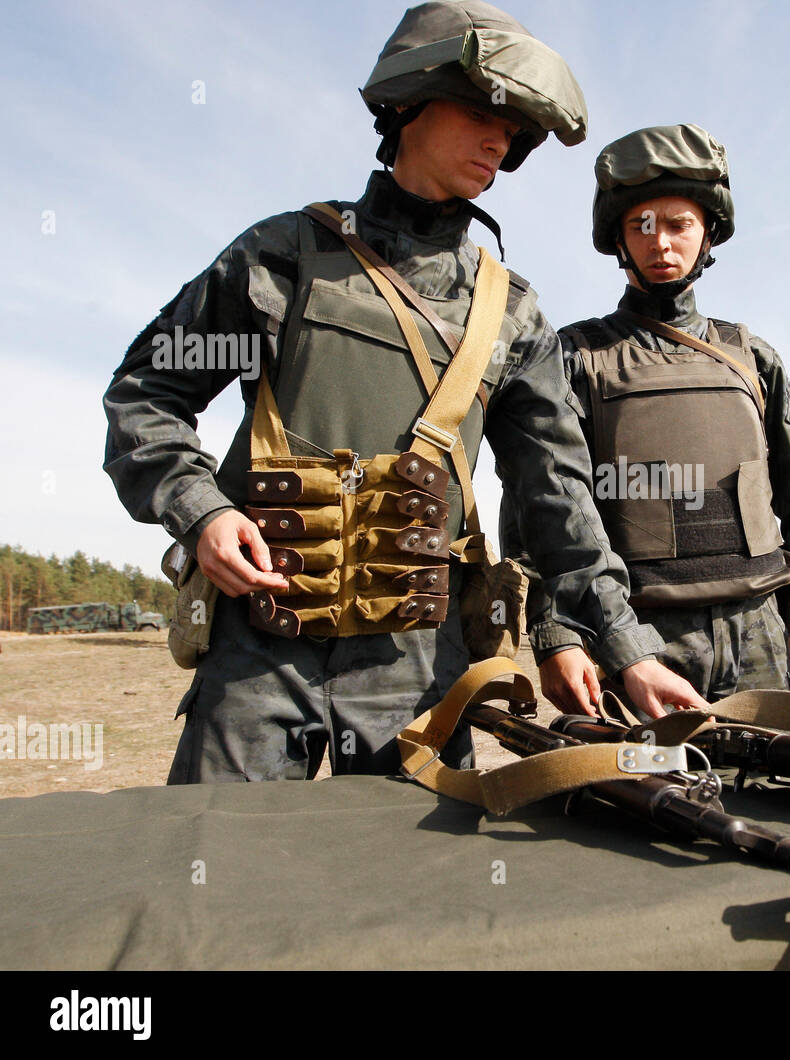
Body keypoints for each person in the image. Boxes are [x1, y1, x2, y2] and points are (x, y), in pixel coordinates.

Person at [102, 1, 706, 784]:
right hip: (258, 647)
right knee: (214, 870)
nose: (501, 139)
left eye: (517, 128)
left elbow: (558, 494)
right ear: (410, 101)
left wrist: (627, 648)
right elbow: (146, 395)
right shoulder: (285, 255)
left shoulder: (510, 311)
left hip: (416, 665)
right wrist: (202, 510)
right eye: (483, 109)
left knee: (410, 896)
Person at [503, 124, 790, 715]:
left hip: (758, 632)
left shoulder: (752, 356)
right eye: (642, 226)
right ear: (618, 239)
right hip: (632, 636)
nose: (661, 244)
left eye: (679, 225)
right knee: (643, 803)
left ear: (707, 234)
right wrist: (557, 635)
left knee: (773, 793)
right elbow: (538, 508)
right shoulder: (573, 357)